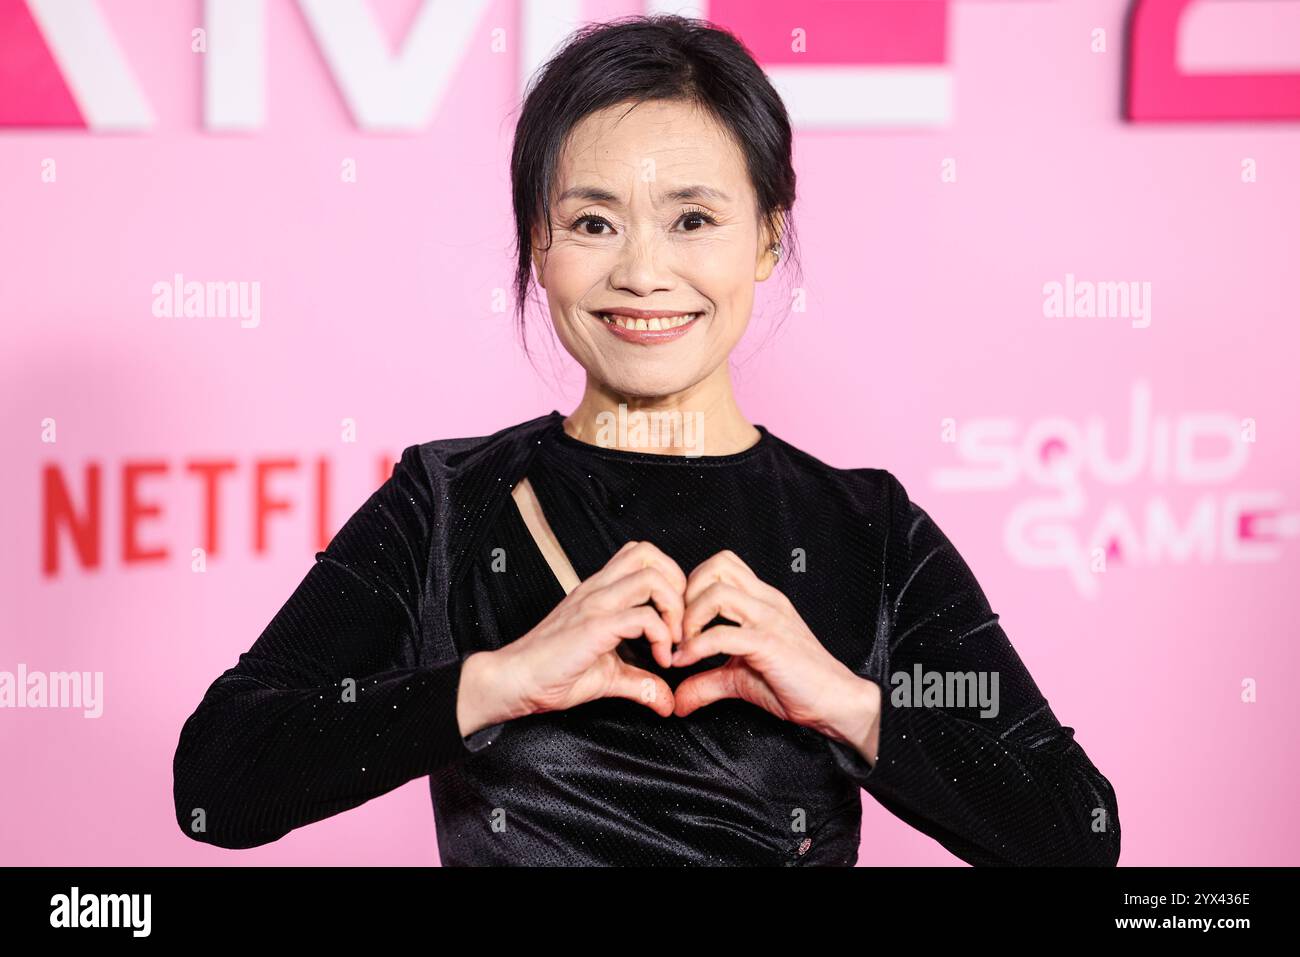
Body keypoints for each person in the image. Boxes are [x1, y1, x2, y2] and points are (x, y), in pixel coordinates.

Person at [172, 14, 1120, 866]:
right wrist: (497, 682)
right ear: (537, 245)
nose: (643, 271)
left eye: (694, 220)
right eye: (593, 222)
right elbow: (219, 782)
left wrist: (846, 703)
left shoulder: (866, 530)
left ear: (766, 238)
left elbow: (1077, 836)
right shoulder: (448, 503)